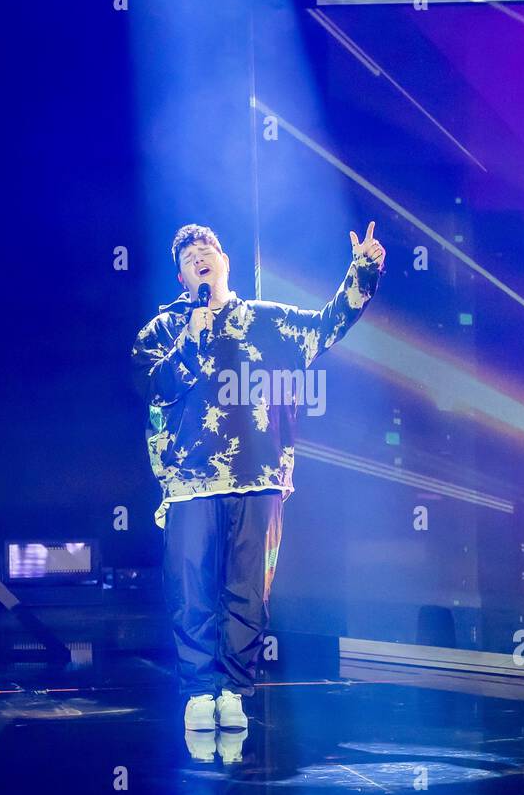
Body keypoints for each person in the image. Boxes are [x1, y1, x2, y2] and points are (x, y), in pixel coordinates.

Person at [131, 222, 385, 730]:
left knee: (248, 591)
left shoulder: (268, 322)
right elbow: (152, 388)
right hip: (190, 481)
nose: (200, 256)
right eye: (189, 256)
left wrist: (364, 269)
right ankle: (199, 692)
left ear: (225, 263)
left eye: (208, 249)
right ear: (181, 277)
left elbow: (328, 325)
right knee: (192, 588)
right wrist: (191, 337)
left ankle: (233, 691)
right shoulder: (160, 331)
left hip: (259, 476)